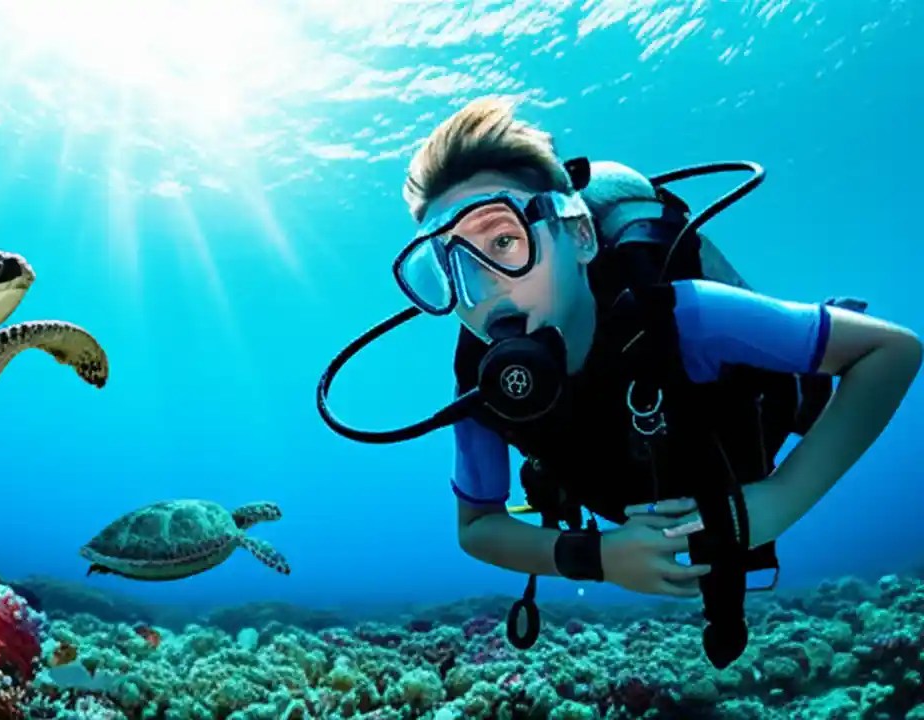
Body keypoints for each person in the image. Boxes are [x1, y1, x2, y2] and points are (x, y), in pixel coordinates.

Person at [316, 96, 921, 667]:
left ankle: (817, 329)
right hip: (633, 470)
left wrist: (775, 506)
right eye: (453, 264)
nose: (485, 286)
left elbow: (893, 351)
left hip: (743, 412)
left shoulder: (685, 316)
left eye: (503, 240)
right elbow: (476, 528)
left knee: (797, 399)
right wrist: (596, 557)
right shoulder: (481, 388)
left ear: (578, 234)